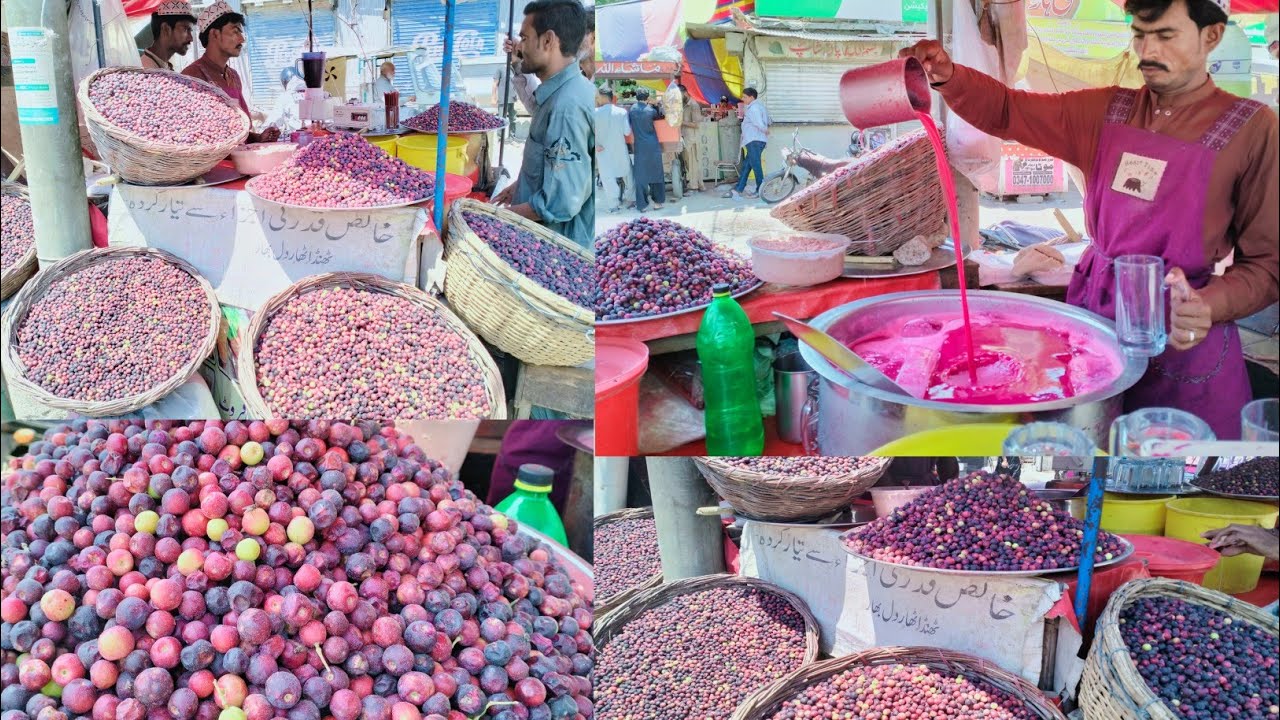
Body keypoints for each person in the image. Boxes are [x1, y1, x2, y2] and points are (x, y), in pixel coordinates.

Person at [900, 0, 1278, 440]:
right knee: (1083, 462)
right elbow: (1009, 110)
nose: (1147, 50)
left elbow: (1268, 265)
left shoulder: (1252, 128)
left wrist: (1211, 304)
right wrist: (950, 76)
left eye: (1165, 35)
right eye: (1139, 34)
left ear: (1211, 36)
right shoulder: (1108, 111)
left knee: (1181, 480)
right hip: (1096, 324)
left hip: (1184, 337)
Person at [491, 0, 595, 248]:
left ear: (548, 41)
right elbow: (560, 168)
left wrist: (500, 218)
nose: (520, 47)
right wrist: (522, 184)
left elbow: (561, 202)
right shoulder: (560, 94)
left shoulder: (565, 108)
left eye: (524, 38)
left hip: (558, 249)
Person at [182, 1, 280, 143]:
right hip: (212, 163)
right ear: (215, 34)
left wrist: (258, 138)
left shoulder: (233, 76)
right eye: (235, 31)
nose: (242, 39)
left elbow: (240, 132)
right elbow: (191, 135)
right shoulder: (192, 76)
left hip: (237, 160)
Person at [503, 7, 595, 115]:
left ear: (593, 37)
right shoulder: (568, 76)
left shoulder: (604, 86)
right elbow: (538, 110)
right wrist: (517, 61)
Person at [627, 89, 666, 212]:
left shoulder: (631, 110)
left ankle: (642, 205)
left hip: (640, 146)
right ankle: (657, 202)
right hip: (653, 145)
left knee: (641, 175)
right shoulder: (651, 111)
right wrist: (656, 105)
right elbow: (661, 116)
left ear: (636, 97)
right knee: (656, 173)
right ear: (647, 98)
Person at [595, 87, 632, 213]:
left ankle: (614, 206)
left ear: (603, 97)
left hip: (602, 151)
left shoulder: (594, 113)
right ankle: (632, 198)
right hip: (619, 149)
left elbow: (587, 133)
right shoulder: (622, 112)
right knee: (627, 172)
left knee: (608, 178)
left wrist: (595, 144)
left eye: (598, 96)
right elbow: (627, 131)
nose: (597, 99)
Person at [728, 87, 769, 201]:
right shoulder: (759, 106)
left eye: (745, 97)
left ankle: (760, 190)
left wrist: (765, 130)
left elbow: (759, 124)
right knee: (747, 165)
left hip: (754, 140)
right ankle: (739, 188)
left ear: (751, 97)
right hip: (755, 140)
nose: (743, 99)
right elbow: (769, 120)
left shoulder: (754, 108)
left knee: (756, 166)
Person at [140, 0, 196, 70]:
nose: (191, 38)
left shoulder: (164, 66)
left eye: (190, 31)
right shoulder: (145, 70)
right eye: (185, 29)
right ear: (166, 28)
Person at [680, 84, 704, 192]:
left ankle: (694, 185)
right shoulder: (684, 104)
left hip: (692, 137)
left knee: (692, 162)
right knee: (690, 162)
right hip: (686, 136)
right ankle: (700, 184)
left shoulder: (693, 105)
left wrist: (680, 122)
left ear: (685, 93)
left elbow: (696, 124)